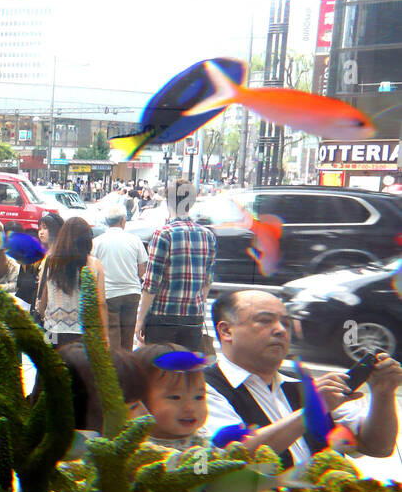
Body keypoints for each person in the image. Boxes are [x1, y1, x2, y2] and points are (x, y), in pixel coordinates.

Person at [202, 289, 402, 469]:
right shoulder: (204, 388)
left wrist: (383, 394)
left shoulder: (305, 385)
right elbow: (230, 459)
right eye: (265, 320)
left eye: (286, 323)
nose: (280, 330)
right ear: (226, 331)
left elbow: (379, 448)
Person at [134, 179, 216, 353]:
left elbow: (151, 284)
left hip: (163, 317)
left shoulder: (164, 234)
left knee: (160, 375)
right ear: (191, 203)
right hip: (193, 318)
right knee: (186, 375)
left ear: (168, 202)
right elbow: (208, 282)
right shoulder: (208, 236)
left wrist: (140, 320)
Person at [35, 216, 108, 348]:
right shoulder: (94, 264)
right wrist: (104, 334)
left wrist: (41, 313)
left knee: (53, 366)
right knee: (79, 367)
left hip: (53, 330)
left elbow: (42, 295)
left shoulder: (50, 261)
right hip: (83, 332)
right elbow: (101, 302)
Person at [130, 343, 208, 451]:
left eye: (199, 397)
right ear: (139, 402)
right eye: (175, 397)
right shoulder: (136, 447)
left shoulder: (204, 440)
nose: (190, 408)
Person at [91, 205, 148, 352]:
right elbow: (142, 269)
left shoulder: (97, 242)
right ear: (123, 221)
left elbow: (93, 268)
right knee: (127, 337)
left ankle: (116, 369)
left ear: (107, 222)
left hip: (109, 294)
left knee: (112, 337)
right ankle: (127, 365)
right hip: (132, 293)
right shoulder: (135, 240)